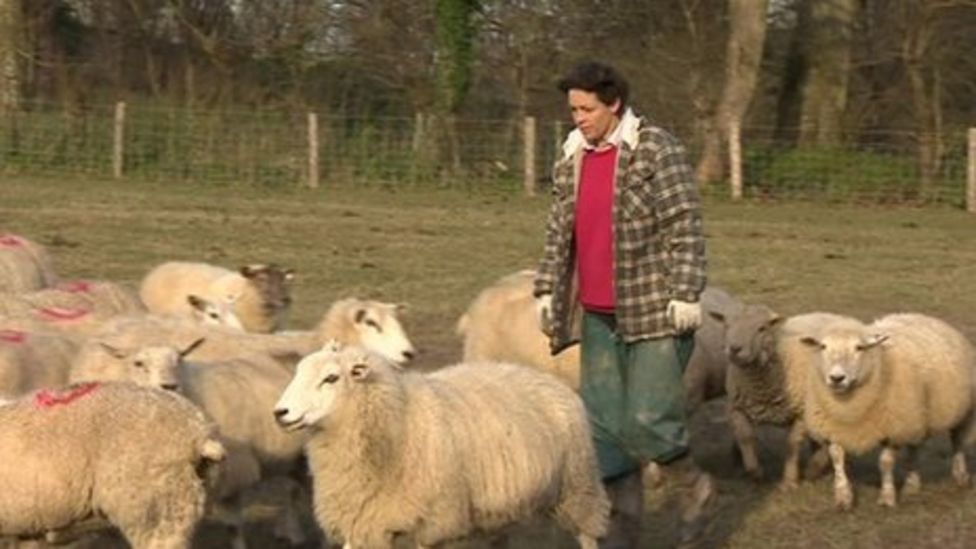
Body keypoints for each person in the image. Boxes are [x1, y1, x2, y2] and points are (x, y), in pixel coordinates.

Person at [533, 61, 714, 548]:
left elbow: (684, 222)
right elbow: (558, 231)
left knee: (650, 421)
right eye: (573, 109)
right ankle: (621, 528)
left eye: (587, 108)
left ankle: (693, 486)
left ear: (613, 103)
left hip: (653, 306)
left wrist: (685, 290)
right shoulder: (572, 154)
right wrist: (547, 288)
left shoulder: (655, 149)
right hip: (596, 311)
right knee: (604, 431)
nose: (578, 118)